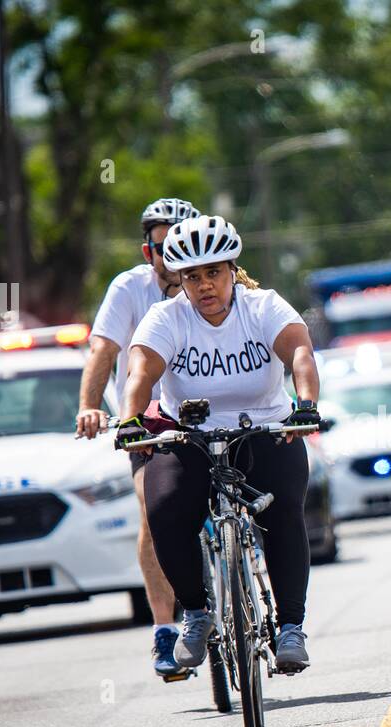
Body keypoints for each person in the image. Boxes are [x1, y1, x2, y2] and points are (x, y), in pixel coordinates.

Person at [116, 215, 322, 677]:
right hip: (191, 437)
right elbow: (141, 374)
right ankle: (195, 613)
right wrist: (131, 419)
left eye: (213, 272)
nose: (205, 285)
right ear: (180, 279)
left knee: (284, 510)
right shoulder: (167, 318)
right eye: (193, 276)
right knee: (163, 508)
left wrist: (305, 406)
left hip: (264, 431)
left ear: (232, 270)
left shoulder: (263, 306)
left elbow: (300, 354)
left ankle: (290, 628)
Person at [76, 197, 198, 672]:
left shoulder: (217, 282)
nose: (175, 259)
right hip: (147, 420)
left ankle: (249, 580)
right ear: (148, 252)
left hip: (210, 418)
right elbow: (103, 350)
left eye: (184, 247)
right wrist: (89, 406)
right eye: (165, 249)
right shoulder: (128, 289)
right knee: (154, 513)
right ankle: (165, 627)